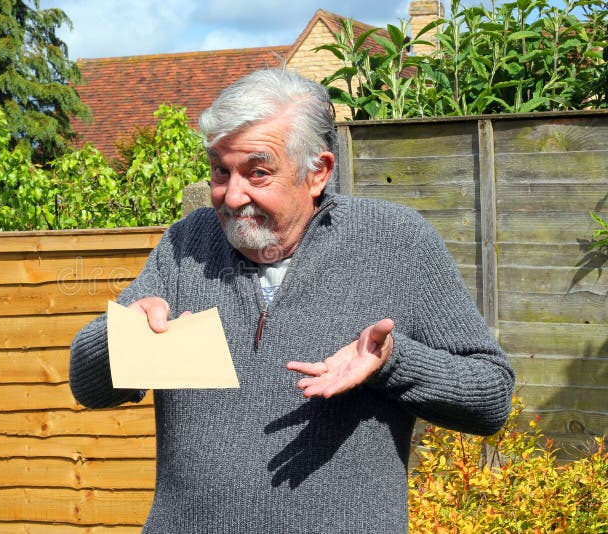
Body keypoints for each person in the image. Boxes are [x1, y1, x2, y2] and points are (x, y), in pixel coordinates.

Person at [70, 68, 515, 533]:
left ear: (317, 172)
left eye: (257, 172)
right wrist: (120, 338)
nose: (232, 194)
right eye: (221, 169)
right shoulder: (186, 245)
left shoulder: (395, 244)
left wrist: (392, 362)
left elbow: (491, 397)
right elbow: (88, 385)